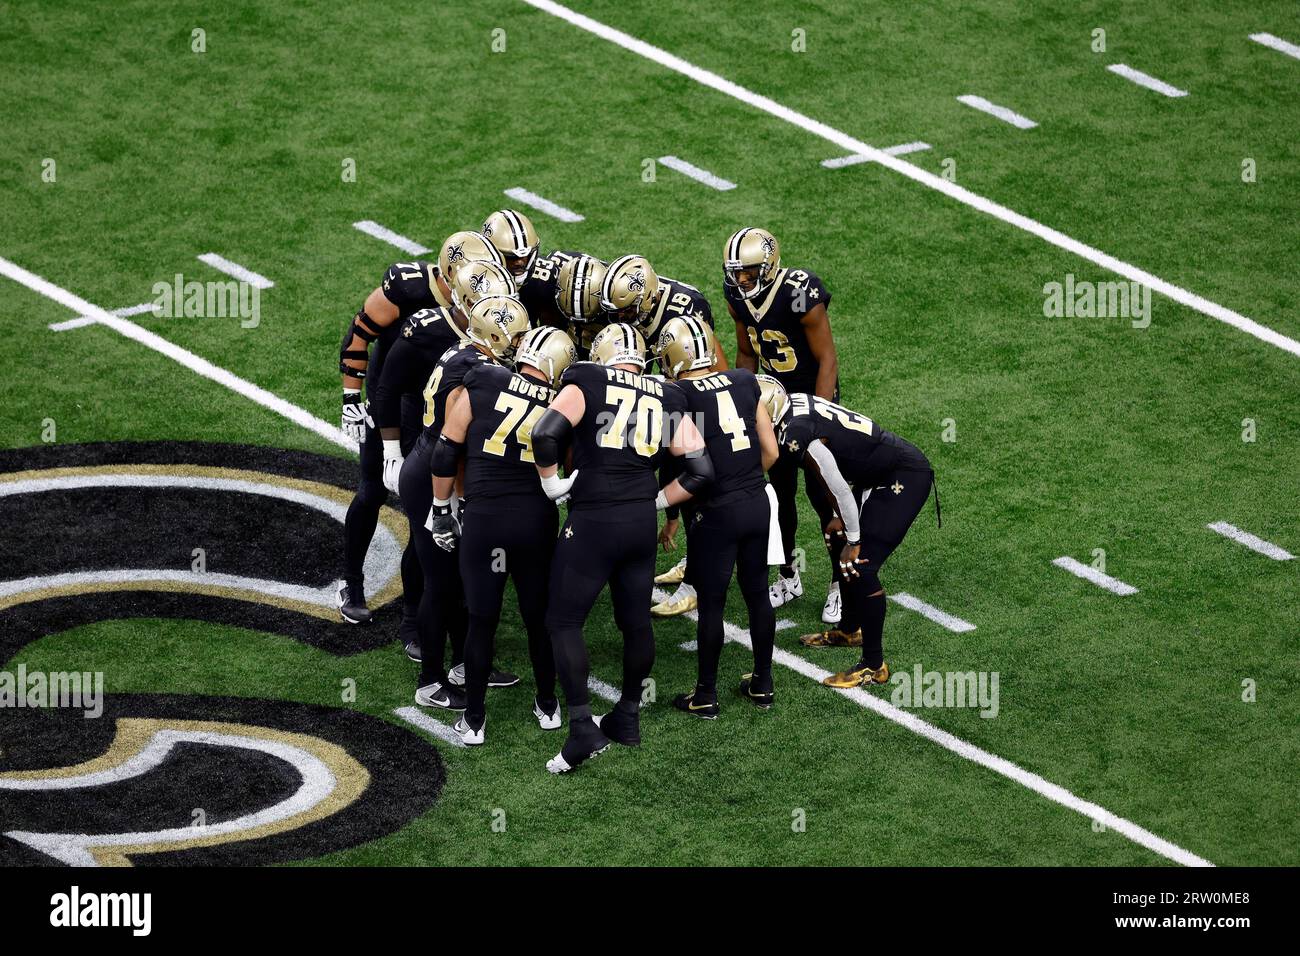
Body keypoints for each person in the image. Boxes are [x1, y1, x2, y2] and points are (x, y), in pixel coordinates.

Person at [531, 323, 713, 773]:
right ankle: (627, 715)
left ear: (603, 352)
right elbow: (701, 470)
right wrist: (657, 502)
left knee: (563, 621)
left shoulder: (589, 378)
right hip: (639, 523)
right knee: (635, 623)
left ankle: (581, 727)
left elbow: (544, 434)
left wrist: (551, 484)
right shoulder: (668, 395)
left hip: (594, 519)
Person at [335, 230, 503, 623]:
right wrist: (351, 399)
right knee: (373, 489)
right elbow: (358, 334)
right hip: (391, 396)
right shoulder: (408, 288)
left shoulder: (484, 299)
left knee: (424, 507)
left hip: (436, 406)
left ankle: (418, 608)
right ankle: (351, 581)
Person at [429, 326, 580, 744]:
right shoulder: (561, 404)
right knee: (538, 617)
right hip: (535, 522)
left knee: (482, 620)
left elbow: (446, 450)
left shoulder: (484, 379)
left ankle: (474, 720)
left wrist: (441, 510)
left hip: (486, 521)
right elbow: (571, 463)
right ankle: (547, 705)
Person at [398, 295, 530, 709]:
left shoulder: (465, 352)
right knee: (441, 584)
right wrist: (455, 501)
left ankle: (462, 665)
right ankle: (429, 682)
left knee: (457, 582)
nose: (521, 344)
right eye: (517, 337)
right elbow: (450, 447)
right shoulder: (475, 370)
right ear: (495, 336)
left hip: (433, 468)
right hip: (435, 478)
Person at [760, 381, 935, 689]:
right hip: (876, 473)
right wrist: (841, 524)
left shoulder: (796, 433)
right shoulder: (793, 406)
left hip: (902, 476)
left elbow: (838, 487)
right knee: (837, 540)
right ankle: (850, 629)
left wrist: (854, 539)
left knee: (860, 563)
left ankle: (873, 665)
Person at [652, 315, 781, 717]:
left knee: (712, 603)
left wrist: (671, 509)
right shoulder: (744, 380)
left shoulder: (677, 394)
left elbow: (674, 460)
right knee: (757, 593)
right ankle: (762, 683)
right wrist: (745, 481)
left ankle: (705, 694)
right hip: (756, 501)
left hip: (715, 510)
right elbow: (772, 451)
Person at [723, 227, 843, 624]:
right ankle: (789, 575)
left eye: (749, 271)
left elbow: (827, 360)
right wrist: (743, 404)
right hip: (773, 402)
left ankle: (840, 581)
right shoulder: (738, 298)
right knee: (779, 492)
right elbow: (746, 353)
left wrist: (819, 417)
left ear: (769, 266)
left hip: (812, 397)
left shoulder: (799, 292)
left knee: (822, 493)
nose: (741, 279)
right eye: (736, 271)